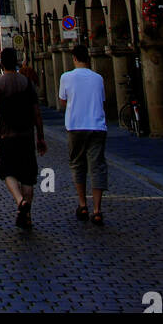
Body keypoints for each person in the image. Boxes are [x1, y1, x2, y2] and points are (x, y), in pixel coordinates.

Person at [0, 48, 46, 230]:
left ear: (1, 63)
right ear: (16, 62)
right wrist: (41, 137)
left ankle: (20, 201)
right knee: (28, 176)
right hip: (27, 135)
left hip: (7, 135)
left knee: (6, 170)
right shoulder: (28, 83)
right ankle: (27, 216)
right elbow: (37, 113)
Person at [58, 44, 108, 225]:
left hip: (75, 125)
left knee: (78, 164)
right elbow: (102, 100)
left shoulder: (66, 77)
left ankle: (82, 204)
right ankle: (97, 209)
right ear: (88, 58)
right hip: (97, 126)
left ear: (74, 58)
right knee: (97, 166)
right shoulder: (98, 78)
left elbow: (63, 101)